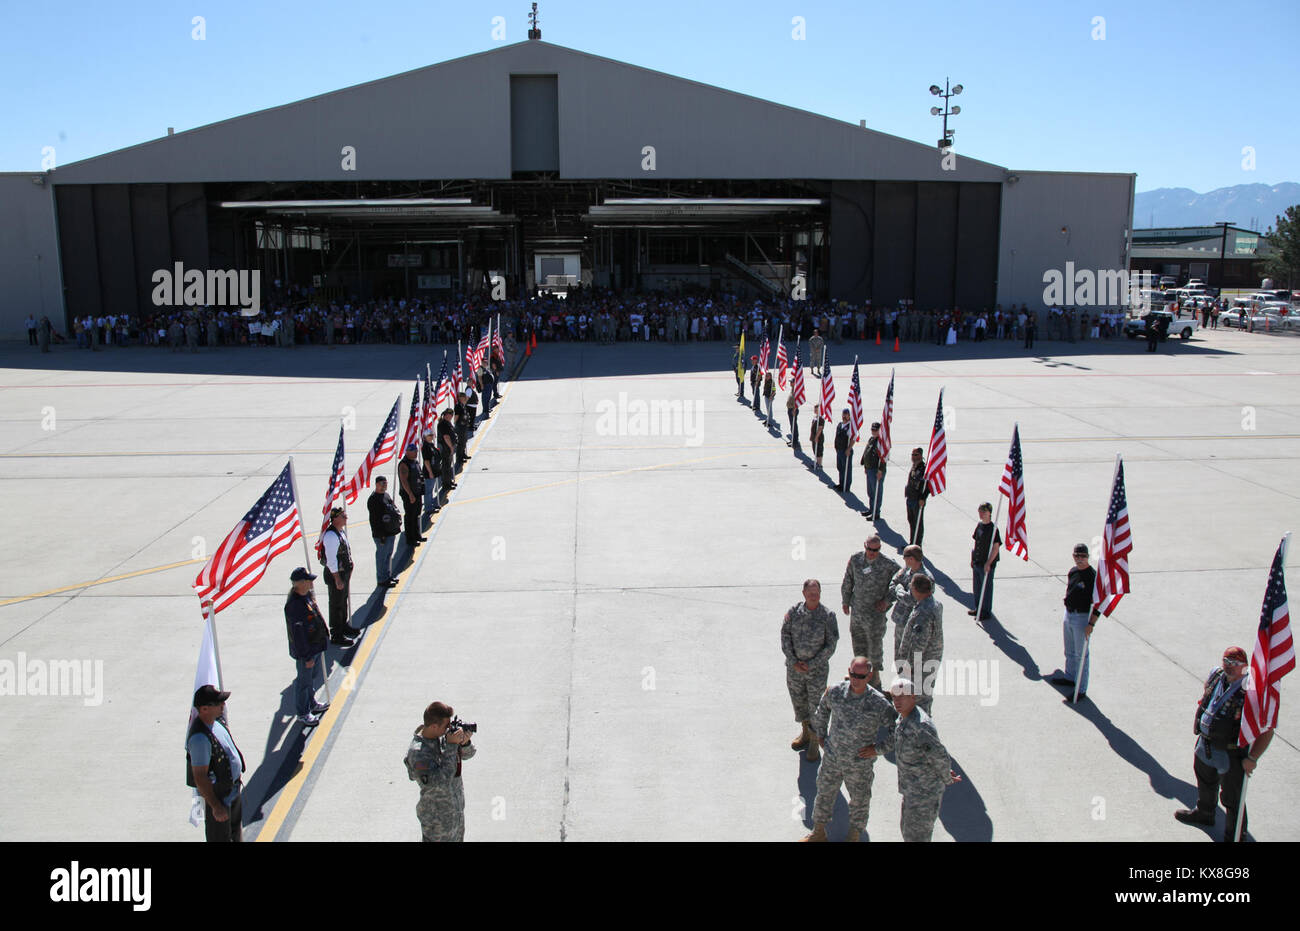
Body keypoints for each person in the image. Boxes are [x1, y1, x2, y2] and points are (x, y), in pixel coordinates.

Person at [1174, 647, 1274, 842]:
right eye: (1226, 661)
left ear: (1245, 667)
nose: (1229, 666)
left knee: (1232, 797)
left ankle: (1235, 835)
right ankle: (1205, 813)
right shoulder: (1216, 676)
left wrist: (1252, 758)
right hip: (1206, 745)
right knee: (1205, 782)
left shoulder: (1251, 692)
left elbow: (1267, 729)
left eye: (1235, 663)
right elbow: (1207, 694)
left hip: (1231, 754)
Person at [802, 657, 897, 842]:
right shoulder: (836, 691)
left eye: (861, 676)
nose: (856, 679)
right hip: (833, 758)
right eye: (853, 674)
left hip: (859, 763)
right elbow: (822, 711)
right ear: (849, 671)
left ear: (869, 676)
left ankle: (854, 835)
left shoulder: (878, 702)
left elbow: (898, 731)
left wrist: (878, 749)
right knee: (824, 794)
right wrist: (821, 735)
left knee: (859, 801)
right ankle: (819, 832)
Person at [875, 677, 960, 842]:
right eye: (894, 697)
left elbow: (940, 755)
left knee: (917, 837)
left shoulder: (920, 726)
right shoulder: (904, 716)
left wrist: (946, 778)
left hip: (924, 795)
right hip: (913, 789)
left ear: (913, 697)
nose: (897, 701)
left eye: (902, 696)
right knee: (908, 832)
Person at [781, 579, 839, 763]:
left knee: (816, 706)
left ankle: (815, 741)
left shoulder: (828, 616)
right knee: (799, 702)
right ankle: (805, 733)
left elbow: (831, 645)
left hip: (816, 672)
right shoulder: (794, 612)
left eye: (817, 593)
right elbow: (785, 636)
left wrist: (812, 664)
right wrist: (793, 661)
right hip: (794, 670)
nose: (814, 596)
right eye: (810, 593)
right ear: (804, 594)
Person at [403, 701, 477, 842]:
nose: (449, 729)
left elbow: (467, 755)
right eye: (446, 726)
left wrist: (465, 743)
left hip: (456, 817)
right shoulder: (419, 753)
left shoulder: (443, 738)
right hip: (437, 824)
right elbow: (440, 782)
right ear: (434, 726)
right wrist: (451, 746)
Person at [186, 684, 245, 842]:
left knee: (236, 835)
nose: (223, 705)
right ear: (204, 709)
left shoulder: (215, 722)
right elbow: (200, 777)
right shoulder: (199, 739)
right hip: (219, 798)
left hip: (232, 791)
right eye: (218, 703)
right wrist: (216, 807)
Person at [840, 534, 900, 687]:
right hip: (858, 613)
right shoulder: (856, 560)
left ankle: (874, 683)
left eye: (876, 549)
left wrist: (887, 601)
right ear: (864, 546)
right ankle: (859, 677)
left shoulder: (888, 565)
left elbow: (902, 583)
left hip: (875, 617)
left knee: (874, 652)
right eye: (870, 549)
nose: (873, 552)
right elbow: (848, 580)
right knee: (858, 648)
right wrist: (845, 601)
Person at [1051, 544, 1099, 700]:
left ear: (1088, 557)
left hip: (1082, 618)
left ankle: (1081, 689)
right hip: (1069, 614)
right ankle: (1070, 677)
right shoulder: (1072, 572)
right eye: (1076, 556)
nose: (1079, 559)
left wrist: (1091, 624)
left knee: (1081, 655)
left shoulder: (1093, 576)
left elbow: (1099, 602)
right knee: (1070, 650)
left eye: (1082, 556)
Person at [284, 567, 331, 726]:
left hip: (315, 647)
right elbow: (298, 636)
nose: (312, 582)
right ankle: (303, 713)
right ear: (300, 583)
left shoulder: (307, 596)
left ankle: (311, 703)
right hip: (307, 651)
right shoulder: (295, 605)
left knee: (310, 679)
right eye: (308, 580)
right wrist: (307, 656)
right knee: (303, 682)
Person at [894, 574, 943, 714]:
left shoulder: (923, 613)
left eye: (910, 587)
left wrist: (907, 667)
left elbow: (918, 645)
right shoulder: (935, 604)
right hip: (928, 662)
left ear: (915, 589)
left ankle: (922, 731)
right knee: (923, 698)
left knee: (918, 701)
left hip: (920, 667)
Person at [320, 507, 360, 645]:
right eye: (343, 516)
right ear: (335, 518)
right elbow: (331, 560)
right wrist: (337, 579)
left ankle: (343, 626)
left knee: (343, 601)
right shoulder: (331, 536)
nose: (346, 518)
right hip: (336, 575)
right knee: (336, 604)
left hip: (343, 573)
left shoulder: (340, 532)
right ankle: (336, 634)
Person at [889, 545, 925, 662]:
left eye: (905, 557)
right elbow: (893, 583)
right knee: (899, 655)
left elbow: (911, 600)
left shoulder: (923, 577)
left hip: (913, 623)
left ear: (911, 559)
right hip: (901, 619)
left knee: (911, 656)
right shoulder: (906, 570)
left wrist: (899, 589)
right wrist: (900, 590)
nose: (903, 559)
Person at [969, 503, 1002, 620]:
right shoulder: (979, 526)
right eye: (979, 511)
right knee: (977, 587)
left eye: (983, 511)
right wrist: (972, 558)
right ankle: (978, 608)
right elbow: (975, 543)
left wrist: (988, 563)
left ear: (989, 513)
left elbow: (996, 548)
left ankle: (986, 611)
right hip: (977, 561)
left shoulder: (993, 529)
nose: (981, 514)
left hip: (986, 564)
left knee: (986, 588)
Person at [367, 476, 401, 588]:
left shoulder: (386, 495)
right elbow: (375, 520)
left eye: (385, 483)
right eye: (382, 483)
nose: (384, 485)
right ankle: (382, 580)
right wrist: (380, 535)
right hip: (382, 534)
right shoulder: (373, 499)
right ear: (376, 484)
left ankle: (387, 576)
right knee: (382, 557)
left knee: (388, 555)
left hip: (390, 532)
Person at [398, 443, 427, 549]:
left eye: (416, 451)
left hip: (417, 492)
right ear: (407, 452)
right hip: (410, 494)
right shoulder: (404, 464)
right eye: (413, 451)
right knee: (410, 516)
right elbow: (404, 480)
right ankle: (410, 538)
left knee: (416, 515)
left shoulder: (415, 461)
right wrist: (410, 493)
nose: (416, 453)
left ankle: (417, 535)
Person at [904, 448, 929, 546]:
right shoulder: (914, 466)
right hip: (910, 497)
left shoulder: (924, 469)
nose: (914, 457)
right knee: (911, 522)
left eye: (916, 455)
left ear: (921, 456)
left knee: (918, 524)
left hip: (918, 500)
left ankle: (917, 545)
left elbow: (928, 486)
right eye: (912, 455)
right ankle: (912, 543)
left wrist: (923, 498)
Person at [860, 422, 885, 519]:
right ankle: (871, 509)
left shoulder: (881, 443)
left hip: (876, 470)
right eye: (872, 430)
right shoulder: (871, 439)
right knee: (870, 492)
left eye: (875, 430)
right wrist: (865, 466)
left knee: (876, 492)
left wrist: (880, 470)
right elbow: (866, 451)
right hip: (869, 468)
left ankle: (876, 512)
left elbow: (884, 458)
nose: (873, 431)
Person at [437, 408, 458, 500]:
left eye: (451, 415)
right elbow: (446, 437)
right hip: (445, 448)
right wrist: (451, 447)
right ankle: (446, 484)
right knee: (445, 466)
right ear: (445, 415)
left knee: (448, 465)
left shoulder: (447, 423)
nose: (450, 416)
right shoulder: (443, 424)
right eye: (449, 414)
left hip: (448, 447)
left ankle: (449, 481)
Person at [420, 429, 441, 518]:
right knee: (428, 491)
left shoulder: (431, 445)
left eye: (432, 435)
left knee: (431, 489)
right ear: (425, 437)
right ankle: (428, 508)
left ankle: (431, 504)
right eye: (429, 435)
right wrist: (430, 472)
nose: (431, 437)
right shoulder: (425, 447)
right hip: (429, 471)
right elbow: (426, 461)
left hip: (434, 470)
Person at [834, 408, 854, 494]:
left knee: (846, 469)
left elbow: (853, 439)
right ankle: (841, 484)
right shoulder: (840, 424)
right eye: (844, 414)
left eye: (846, 414)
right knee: (840, 467)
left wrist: (849, 449)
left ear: (849, 416)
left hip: (846, 451)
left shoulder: (851, 427)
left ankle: (846, 486)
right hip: (839, 450)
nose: (845, 416)